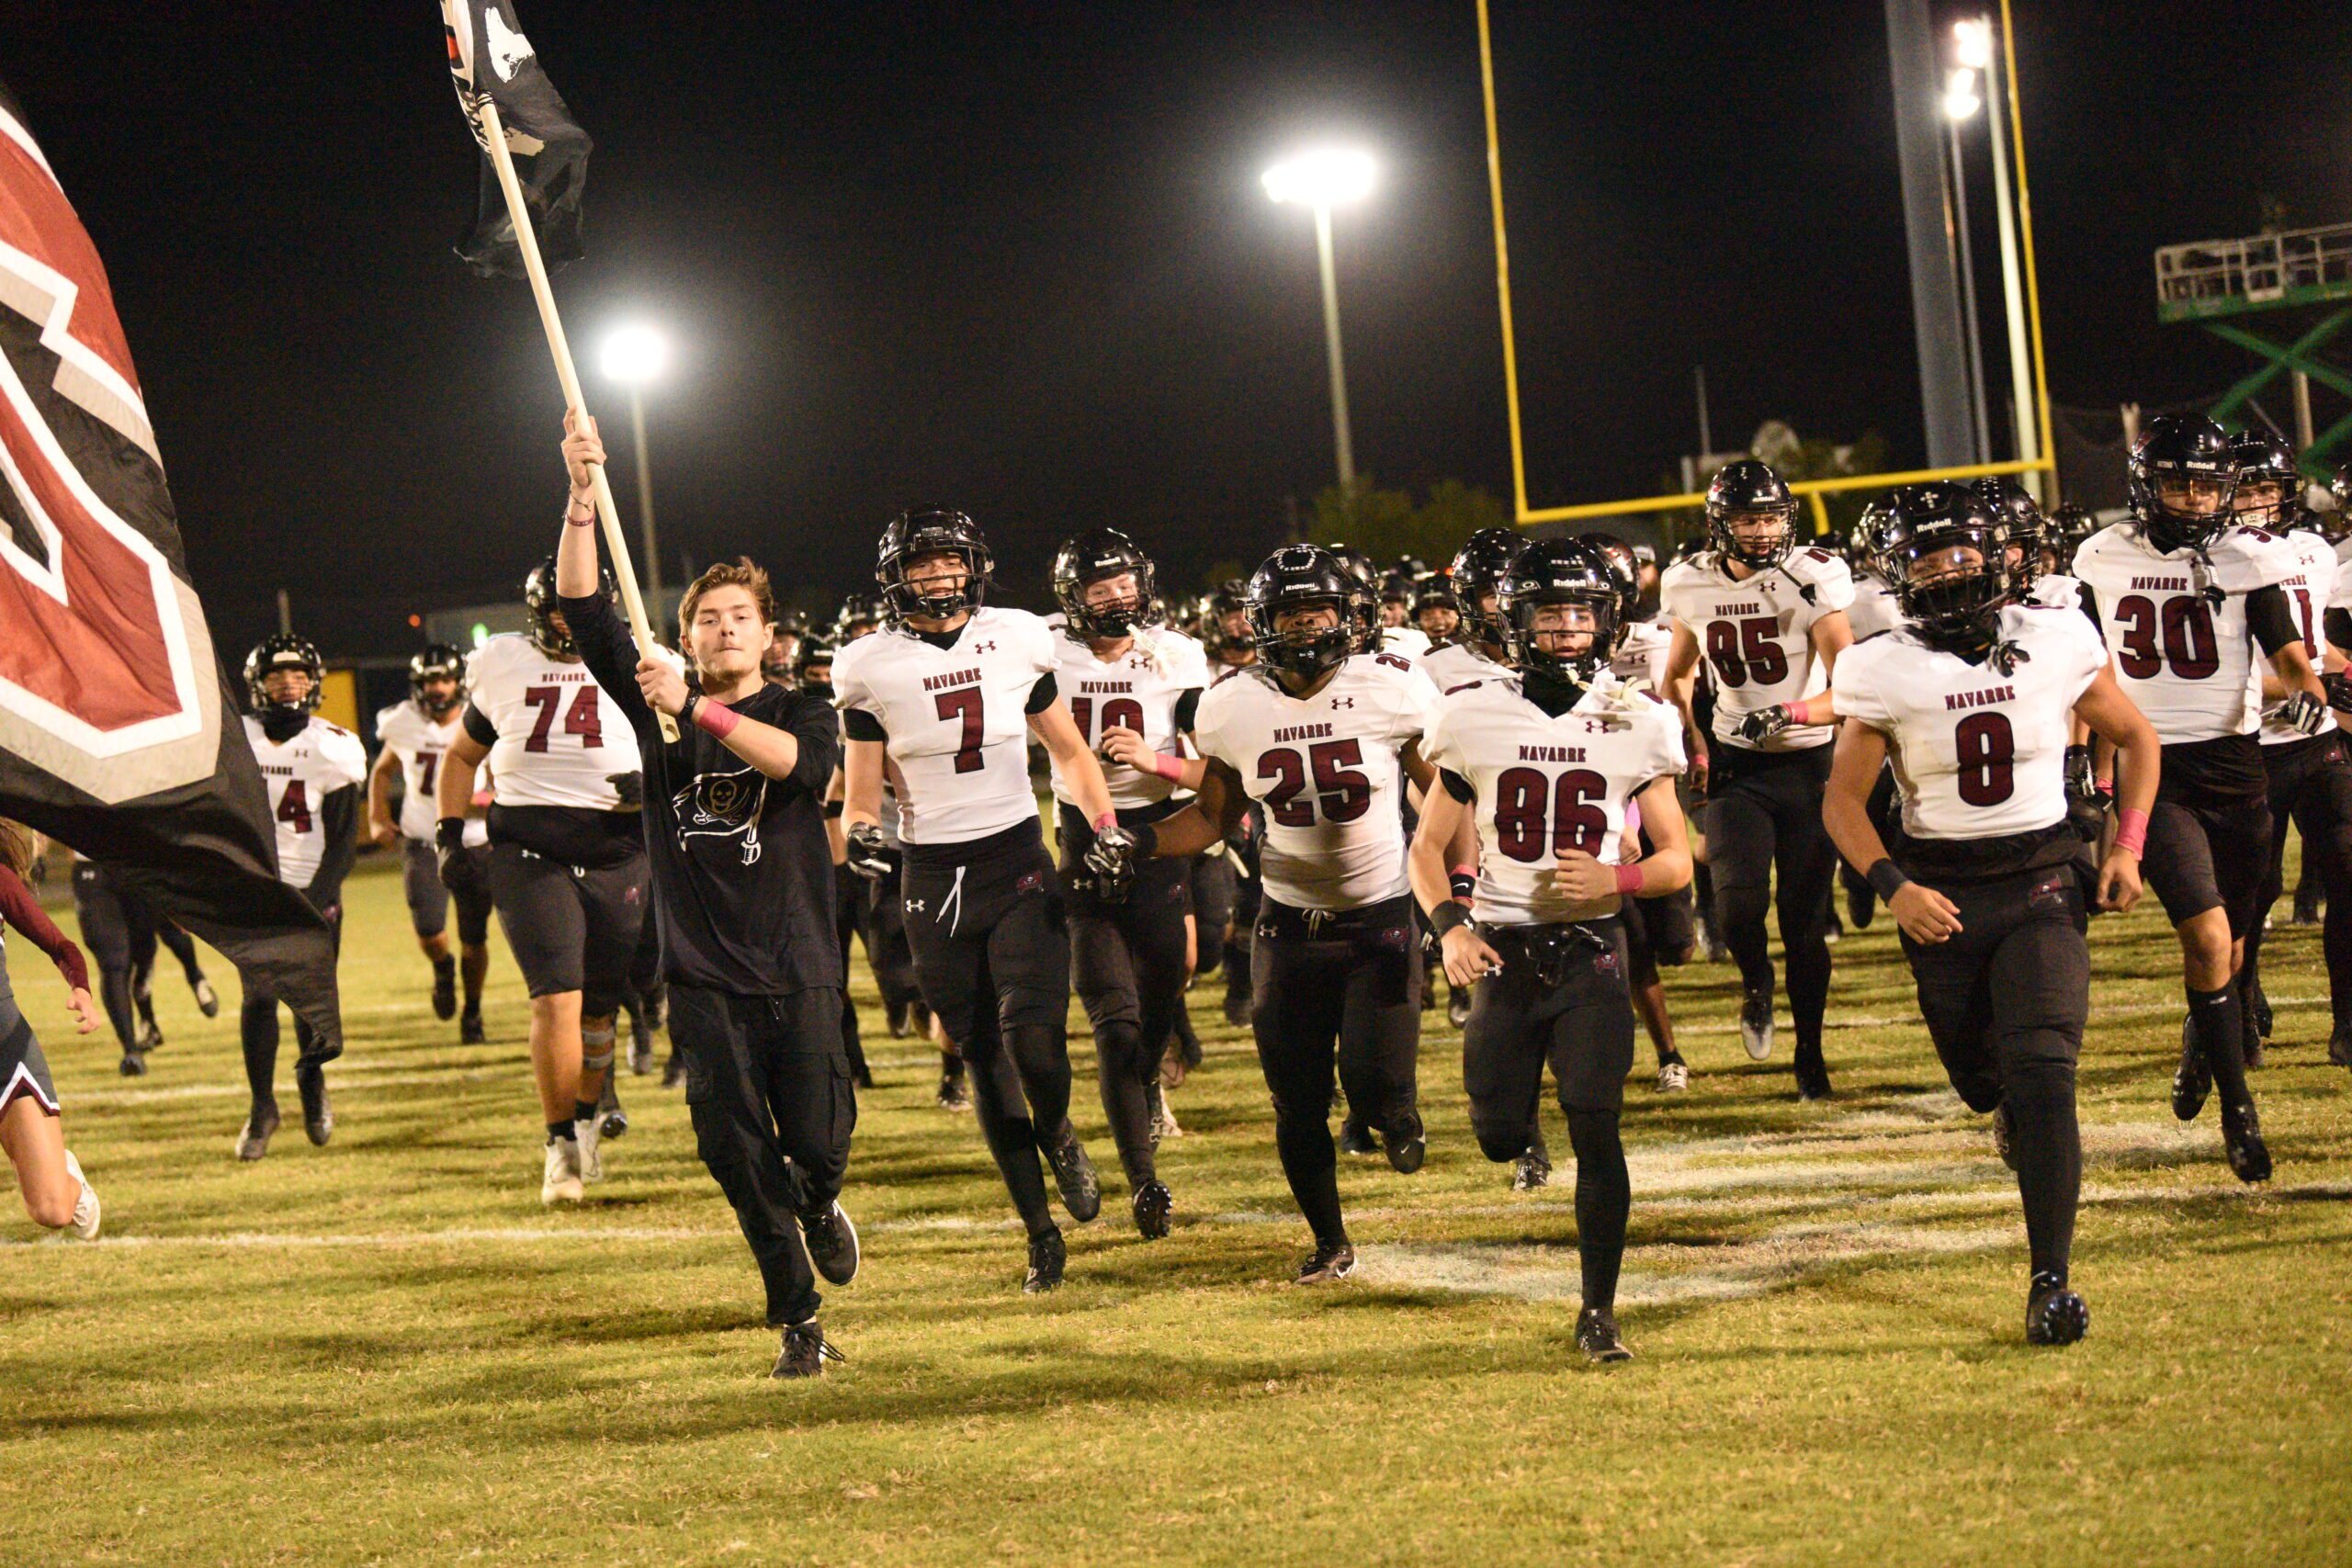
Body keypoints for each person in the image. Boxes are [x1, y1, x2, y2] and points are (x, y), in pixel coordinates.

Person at [554, 413, 858, 1377]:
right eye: (707, 619)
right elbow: (581, 604)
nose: (723, 629)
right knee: (734, 1152)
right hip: (702, 973)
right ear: (683, 635)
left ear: (768, 634)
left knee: (818, 1144)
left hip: (798, 962)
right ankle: (799, 1319)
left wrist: (694, 707)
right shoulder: (654, 702)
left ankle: (821, 1199)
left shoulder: (802, 706)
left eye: (739, 617)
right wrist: (578, 495)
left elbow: (800, 769)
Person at [1825, 482, 2161, 1344]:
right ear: (1895, 574)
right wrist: (1893, 886)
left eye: (1961, 553)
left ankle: (2050, 1280)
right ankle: (2004, 1099)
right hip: (1942, 892)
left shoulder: (2055, 635)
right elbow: (1843, 802)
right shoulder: (1878, 664)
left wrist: (2126, 845)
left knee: (2046, 1070)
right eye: (1926, 560)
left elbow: (2138, 736)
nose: (1948, 571)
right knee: (1984, 1082)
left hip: (2044, 874)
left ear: (1998, 553)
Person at [833, 507, 1133, 1292]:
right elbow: (860, 792)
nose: (938, 576)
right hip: (932, 877)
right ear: (895, 577)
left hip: (1015, 858)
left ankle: (1059, 1130)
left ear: (973, 566)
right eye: (921, 564)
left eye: (949, 562)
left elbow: (1069, 750)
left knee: (1035, 1042)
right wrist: (860, 832)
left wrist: (1104, 823)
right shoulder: (866, 664)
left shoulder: (1016, 636)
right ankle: (1039, 1233)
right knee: (982, 1056)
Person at [1126, 545, 1442, 1283]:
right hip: (1289, 926)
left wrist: (1460, 875)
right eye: (1290, 615)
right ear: (1263, 622)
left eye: (1318, 612)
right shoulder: (1232, 703)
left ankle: (1393, 1108)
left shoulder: (1391, 684)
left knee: (1369, 1082)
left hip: (1378, 918)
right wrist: (1140, 841)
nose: (1305, 628)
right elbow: (1214, 815)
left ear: (1348, 616)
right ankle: (1331, 1241)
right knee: (1296, 1101)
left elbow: (1441, 792)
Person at [1411, 537, 1692, 1360]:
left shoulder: (1639, 717)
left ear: (1607, 620)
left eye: (1581, 612)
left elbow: (1679, 859)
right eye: (1550, 613)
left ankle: (1599, 1310)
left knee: (1596, 1123)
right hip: (1502, 948)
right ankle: (1516, 1128)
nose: (1568, 627)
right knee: (1499, 1131)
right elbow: (1425, 849)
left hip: (1592, 949)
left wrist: (1619, 878)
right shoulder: (1471, 713)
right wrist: (1450, 927)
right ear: (1515, 621)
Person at [2073, 415, 2321, 1179]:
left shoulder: (2248, 558)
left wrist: (2309, 691)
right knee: (2209, 937)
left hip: (2238, 771)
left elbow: (2289, 655)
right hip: (2160, 771)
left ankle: (2201, 1035)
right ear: (2146, 485)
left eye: (2207, 485)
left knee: (2233, 945)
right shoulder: (2102, 558)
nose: (2193, 499)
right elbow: (2081, 667)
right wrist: (2091, 764)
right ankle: (2240, 1113)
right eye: (2178, 483)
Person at [437, 559, 646, 1203]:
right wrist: (448, 834)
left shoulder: (645, 658)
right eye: (557, 605)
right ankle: (559, 1144)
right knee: (557, 996)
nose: (567, 617)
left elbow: (681, 747)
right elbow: (461, 755)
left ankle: (583, 1121)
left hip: (619, 849)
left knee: (600, 1010)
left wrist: (654, 783)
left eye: (579, 604)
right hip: (530, 845)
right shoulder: (504, 662)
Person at [1660, 458, 1855, 1099]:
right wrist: (1691, 735)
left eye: (1771, 517)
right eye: (1749, 519)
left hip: (1807, 764)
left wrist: (1791, 711)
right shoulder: (1690, 583)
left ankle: (1811, 1053)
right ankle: (1755, 981)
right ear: (1722, 524)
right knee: (1738, 904)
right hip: (1737, 765)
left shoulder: (1812, 576)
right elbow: (1677, 675)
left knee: (1804, 921)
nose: (1764, 530)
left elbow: (1852, 686)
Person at [1051, 527, 1210, 1237]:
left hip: (1158, 842)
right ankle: (1145, 1180)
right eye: (1100, 587)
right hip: (1085, 842)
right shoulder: (1045, 651)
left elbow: (1216, 772)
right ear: (1072, 597)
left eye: (1125, 583)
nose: (1118, 597)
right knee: (1113, 1021)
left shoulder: (1175, 654)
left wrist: (1156, 761)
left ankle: (1148, 1077)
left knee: (1164, 991)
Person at [2225, 430, 2352, 1065]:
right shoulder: (2209, 561)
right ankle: (2241, 1003)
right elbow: (2218, 670)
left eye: (2266, 489)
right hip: (2248, 745)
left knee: (2348, 872)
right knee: (2254, 889)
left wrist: (2341, 669)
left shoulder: (2312, 551)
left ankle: (2348, 1021)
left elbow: (2311, 642)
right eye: (2244, 490)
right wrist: (2307, 683)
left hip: (2315, 741)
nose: (2256, 502)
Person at [238, 635, 366, 1159]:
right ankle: (262, 1107)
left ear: (313, 684)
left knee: (308, 1004)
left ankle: (312, 1088)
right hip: (255, 891)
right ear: (258, 684)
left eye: (298, 675)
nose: (288, 684)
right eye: (276, 675)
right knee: (258, 997)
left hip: (313, 890)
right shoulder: (236, 739)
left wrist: (316, 898)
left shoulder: (333, 745)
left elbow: (344, 842)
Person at [369, 643, 492, 1043]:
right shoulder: (403, 721)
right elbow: (382, 771)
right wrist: (377, 817)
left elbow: (503, 780)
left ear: (459, 682)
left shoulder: (484, 716)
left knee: (474, 939)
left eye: (444, 680)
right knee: (429, 932)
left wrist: (480, 801)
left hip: (475, 842)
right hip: (424, 839)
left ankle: (472, 1010)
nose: (437, 688)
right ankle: (442, 968)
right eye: (428, 681)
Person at [0, 820, 103, 1238]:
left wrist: (81, 989)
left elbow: (61, 946)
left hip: (4, 1052)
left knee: (52, 1209)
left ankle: (69, 1181)